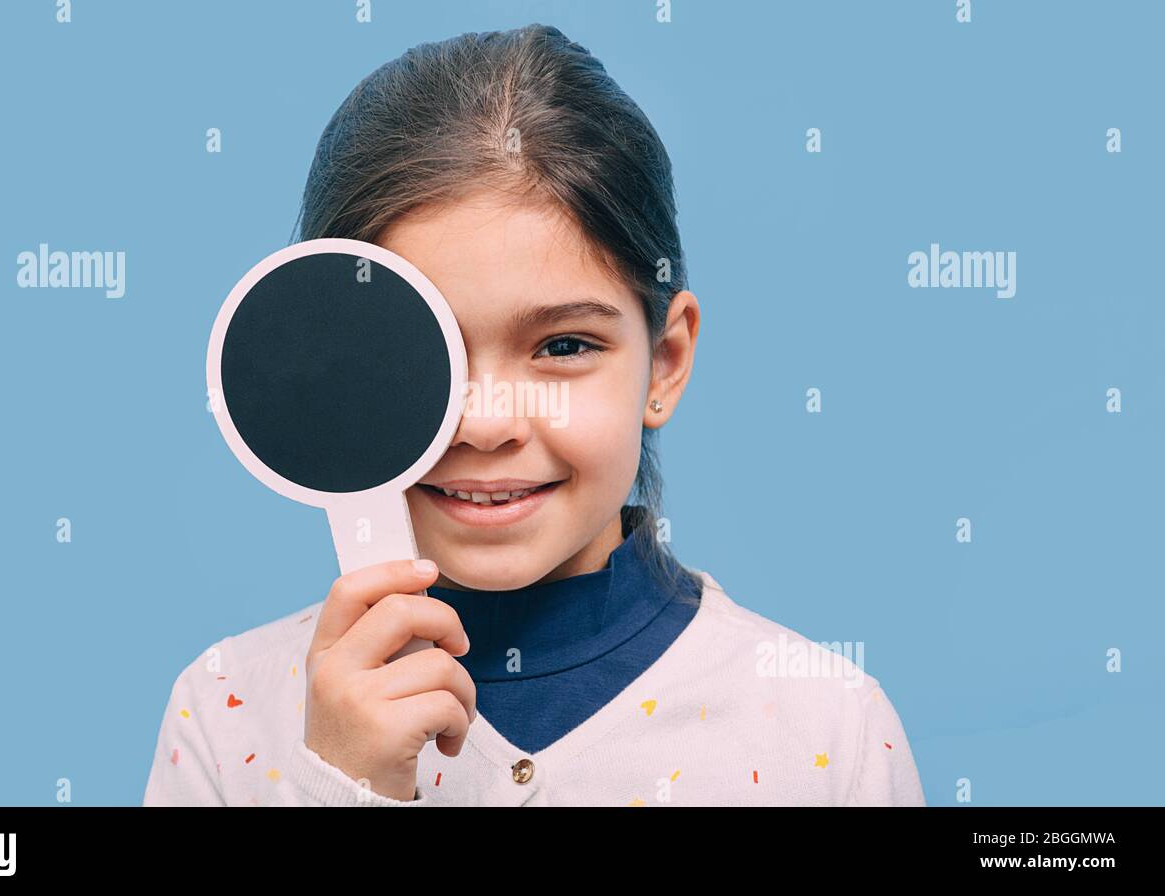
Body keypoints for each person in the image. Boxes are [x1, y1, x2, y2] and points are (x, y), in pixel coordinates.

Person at [143, 23, 925, 807]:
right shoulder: (225, 717)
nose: (486, 425)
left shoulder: (825, 734)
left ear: (665, 361)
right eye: (425, 358)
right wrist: (343, 786)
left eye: (562, 346)